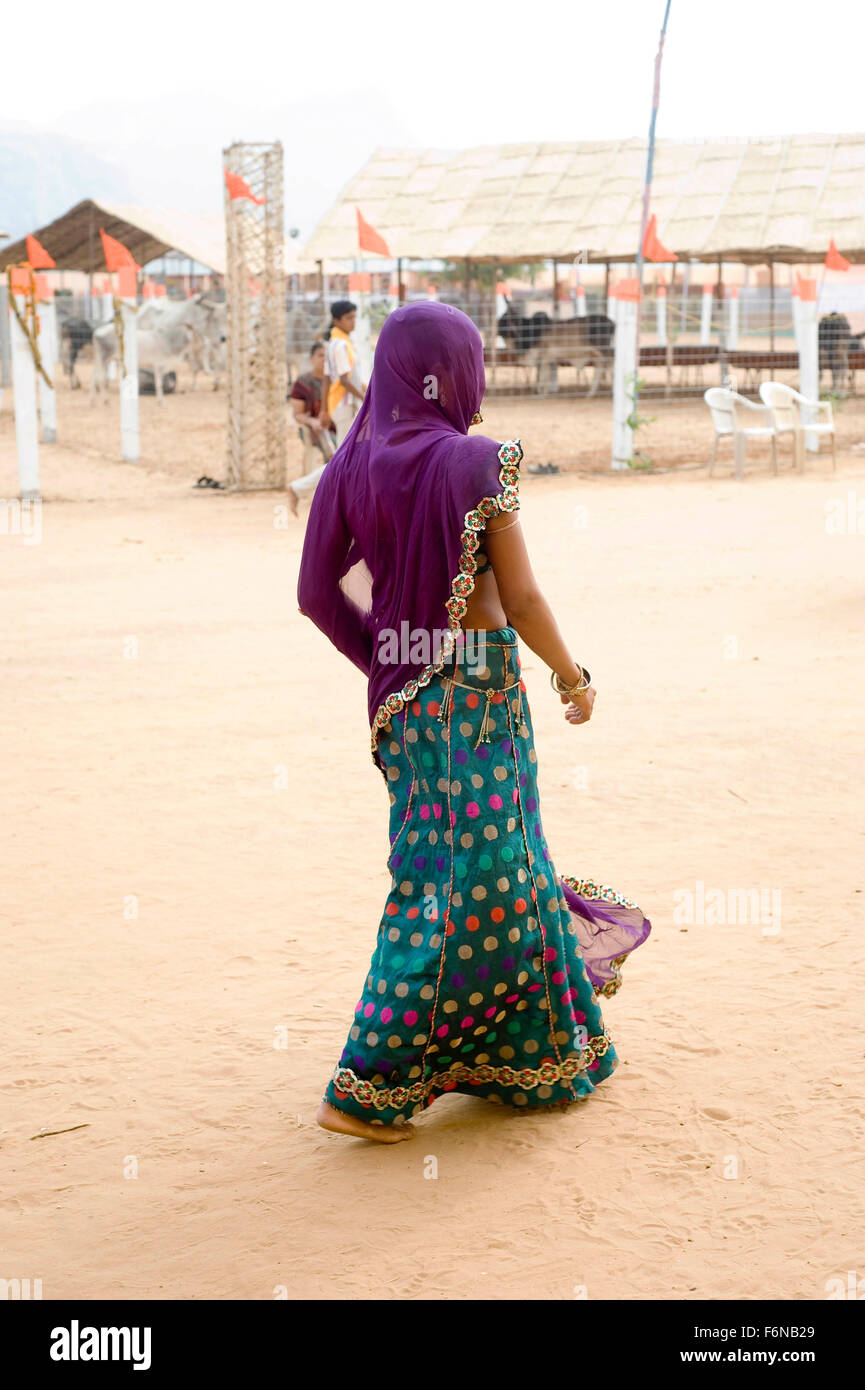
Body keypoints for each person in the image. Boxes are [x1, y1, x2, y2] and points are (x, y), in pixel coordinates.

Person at [297, 301, 650, 1143]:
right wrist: (574, 678)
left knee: (496, 876)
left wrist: (395, 661)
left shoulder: (353, 463)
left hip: (407, 710)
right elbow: (520, 597)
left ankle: (530, 1055)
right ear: (451, 371)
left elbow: (317, 595)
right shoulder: (470, 461)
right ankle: (366, 1091)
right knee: (455, 886)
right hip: (483, 697)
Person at [287, 342, 336, 514]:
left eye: (326, 356)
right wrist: (312, 422)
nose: (324, 360)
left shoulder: (335, 380)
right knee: (337, 459)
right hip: (315, 429)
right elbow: (298, 414)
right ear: (312, 358)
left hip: (336, 428)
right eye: (320, 356)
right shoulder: (303, 382)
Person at [320, 299, 366, 445]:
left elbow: (327, 378)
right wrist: (364, 398)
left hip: (340, 403)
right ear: (336, 321)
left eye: (354, 317)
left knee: (348, 446)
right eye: (348, 318)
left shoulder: (336, 342)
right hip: (343, 403)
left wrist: (324, 409)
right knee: (345, 448)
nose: (353, 321)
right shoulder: (341, 345)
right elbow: (344, 381)